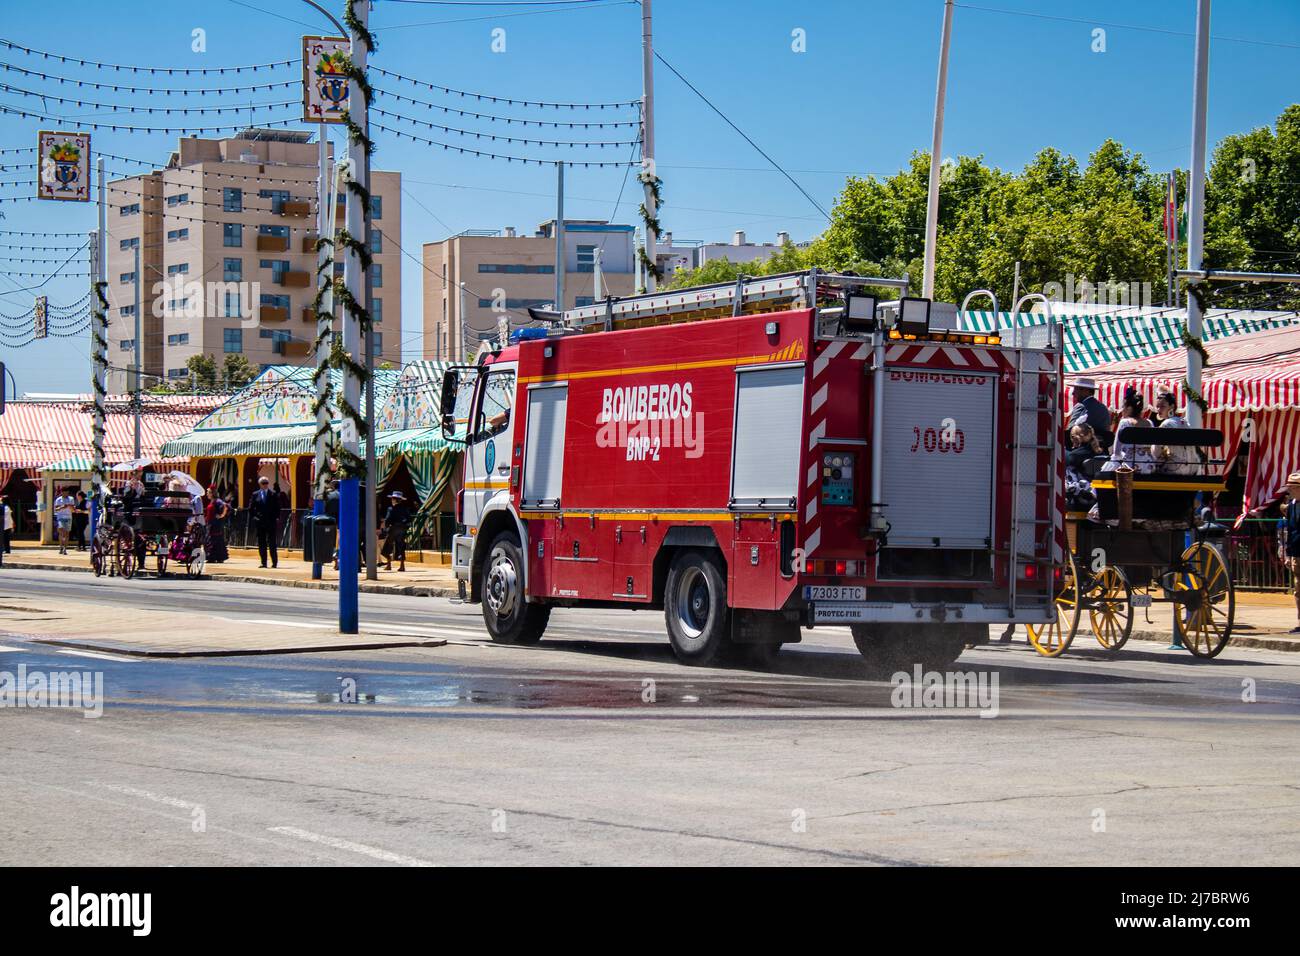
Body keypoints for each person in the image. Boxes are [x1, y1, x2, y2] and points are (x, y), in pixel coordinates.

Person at [1101, 391, 1156, 474]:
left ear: (1129, 408)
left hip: (1129, 466)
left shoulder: (1125, 422)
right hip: (1148, 466)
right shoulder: (1150, 423)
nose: (1122, 409)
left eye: (1123, 406)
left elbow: (1116, 452)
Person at [1151, 390, 1198, 475]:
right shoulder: (1185, 423)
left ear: (1172, 406)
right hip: (1193, 469)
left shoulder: (1166, 424)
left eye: (1162, 406)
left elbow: (1155, 453)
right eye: (1157, 406)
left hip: (1175, 469)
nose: (1158, 409)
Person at [1278, 472, 1300, 634]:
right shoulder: (1291, 505)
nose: (1290, 491)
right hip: (1296, 551)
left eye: (1293, 488)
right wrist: (1288, 554)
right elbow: (1290, 530)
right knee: (1298, 588)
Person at [1067, 377, 1113, 450]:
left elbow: (1071, 432)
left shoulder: (1081, 406)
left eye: (1076, 389)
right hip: (1100, 449)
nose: (1073, 393)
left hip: (1082, 450)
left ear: (1086, 390)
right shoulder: (1103, 408)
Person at [250, 475, 281, 568]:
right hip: (260, 523)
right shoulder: (255, 494)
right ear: (260, 484)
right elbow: (251, 508)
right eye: (263, 483)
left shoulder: (273, 494)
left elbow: (278, 507)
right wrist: (255, 518)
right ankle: (263, 562)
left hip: (271, 522)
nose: (265, 485)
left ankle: (274, 562)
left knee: (272, 543)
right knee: (261, 543)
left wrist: (276, 517)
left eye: (266, 483)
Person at [380, 491, 411, 572]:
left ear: (394, 500)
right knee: (401, 547)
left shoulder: (391, 508)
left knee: (387, 547)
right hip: (402, 528)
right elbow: (409, 519)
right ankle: (402, 566)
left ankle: (389, 564)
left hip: (393, 528)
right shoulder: (405, 509)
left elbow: (388, 519)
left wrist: (386, 527)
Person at [205, 487, 230, 564]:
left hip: (216, 524)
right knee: (211, 540)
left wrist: (221, 515)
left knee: (216, 540)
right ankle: (212, 557)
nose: (207, 494)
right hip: (210, 524)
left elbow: (226, 506)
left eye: (208, 492)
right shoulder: (211, 501)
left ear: (212, 493)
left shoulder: (218, 501)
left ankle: (218, 557)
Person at [53, 486, 76, 555]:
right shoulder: (58, 500)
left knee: (66, 533)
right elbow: (56, 509)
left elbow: (73, 510)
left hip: (68, 517)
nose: (65, 493)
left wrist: (69, 506)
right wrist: (62, 507)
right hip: (60, 517)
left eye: (66, 492)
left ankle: (65, 549)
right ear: (61, 492)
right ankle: (60, 547)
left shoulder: (71, 499)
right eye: (64, 492)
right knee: (61, 530)